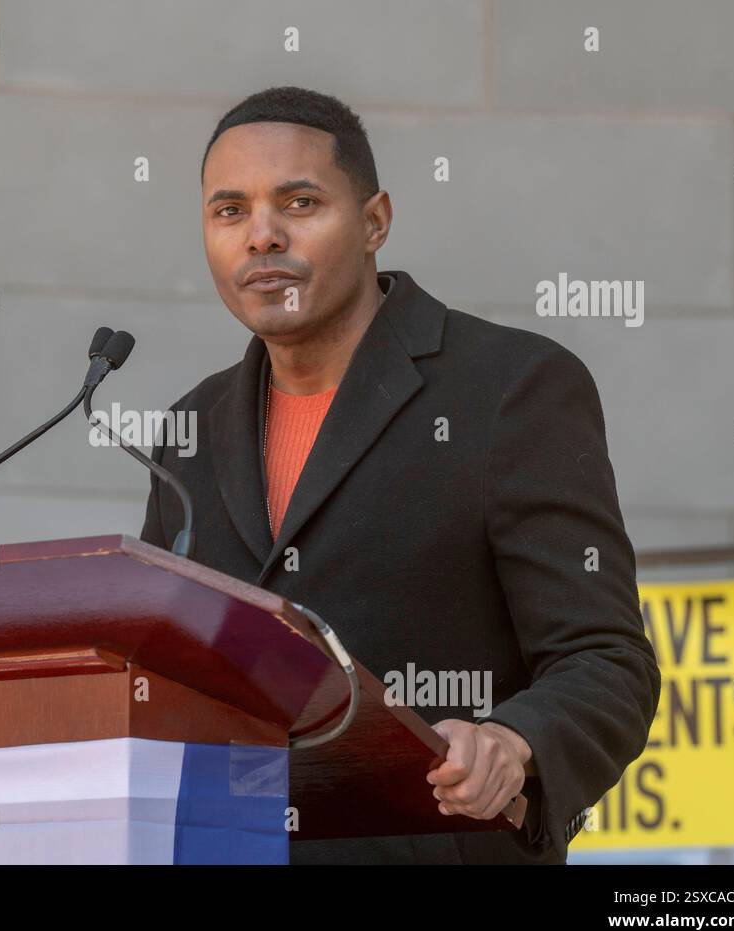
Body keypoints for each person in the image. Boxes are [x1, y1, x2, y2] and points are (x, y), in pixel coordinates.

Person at [139, 86, 661, 864]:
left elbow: (605, 658)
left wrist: (512, 740)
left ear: (376, 219)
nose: (262, 236)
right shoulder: (189, 431)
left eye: (300, 201)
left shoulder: (511, 389)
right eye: (229, 212)